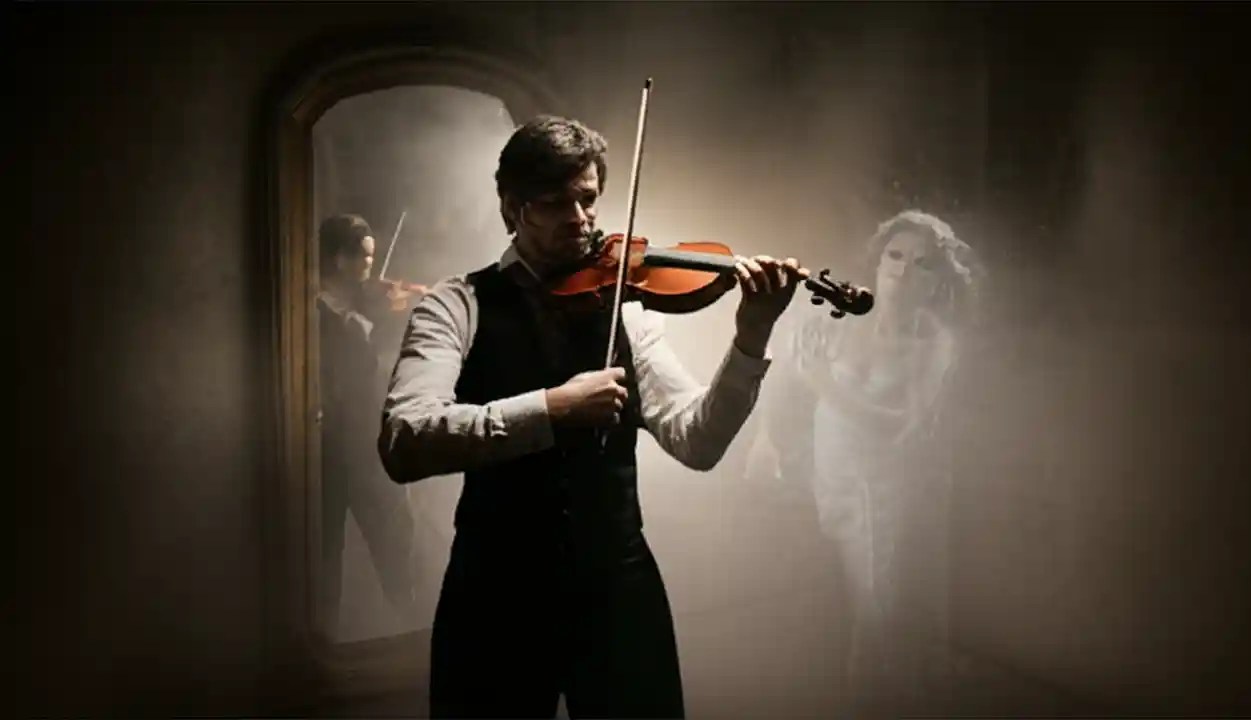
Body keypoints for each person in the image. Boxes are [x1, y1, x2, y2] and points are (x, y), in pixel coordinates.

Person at [378, 115, 806, 719]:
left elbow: (698, 441)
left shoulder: (627, 307)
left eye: (588, 199)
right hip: (493, 592)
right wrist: (553, 408)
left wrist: (751, 337)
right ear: (512, 209)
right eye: (555, 203)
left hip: (618, 590)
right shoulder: (456, 305)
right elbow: (404, 438)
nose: (580, 219)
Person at [794, 209, 981, 710]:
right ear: (878, 262)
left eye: (921, 263)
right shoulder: (840, 320)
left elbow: (902, 427)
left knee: (878, 619)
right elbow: (789, 380)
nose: (902, 270)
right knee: (845, 614)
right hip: (830, 480)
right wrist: (766, 441)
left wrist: (824, 385)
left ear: (936, 281)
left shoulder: (935, 341)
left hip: (885, 495)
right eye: (895, 256)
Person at [316, 213, 420, 636]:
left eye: (373, 257)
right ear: (338, 259)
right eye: (363, 257)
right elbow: (350, 367)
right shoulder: (315, 311)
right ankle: (324, 632)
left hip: (365, 441)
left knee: (397, 536)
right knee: (325, 550)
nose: (371, 268)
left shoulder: (362, 306)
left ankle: (411, 623)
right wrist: (367, 325)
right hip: (332, 445)